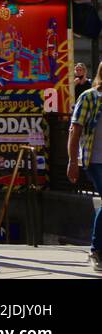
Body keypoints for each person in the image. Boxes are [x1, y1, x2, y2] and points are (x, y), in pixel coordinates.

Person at [66, 62, 102, 272]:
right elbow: (74, 130)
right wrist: (72, 162)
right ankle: (96, 250)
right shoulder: (89, 97)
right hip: (95, 160)